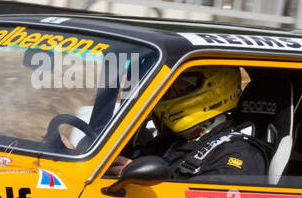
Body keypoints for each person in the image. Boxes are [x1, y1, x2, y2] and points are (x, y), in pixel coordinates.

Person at [108, 66, 268, 180]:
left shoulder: (239, 153)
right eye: (170, 84)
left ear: (216, 88)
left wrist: (142, 185)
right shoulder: (170, 142)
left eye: (183, 84)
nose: (171, 90)